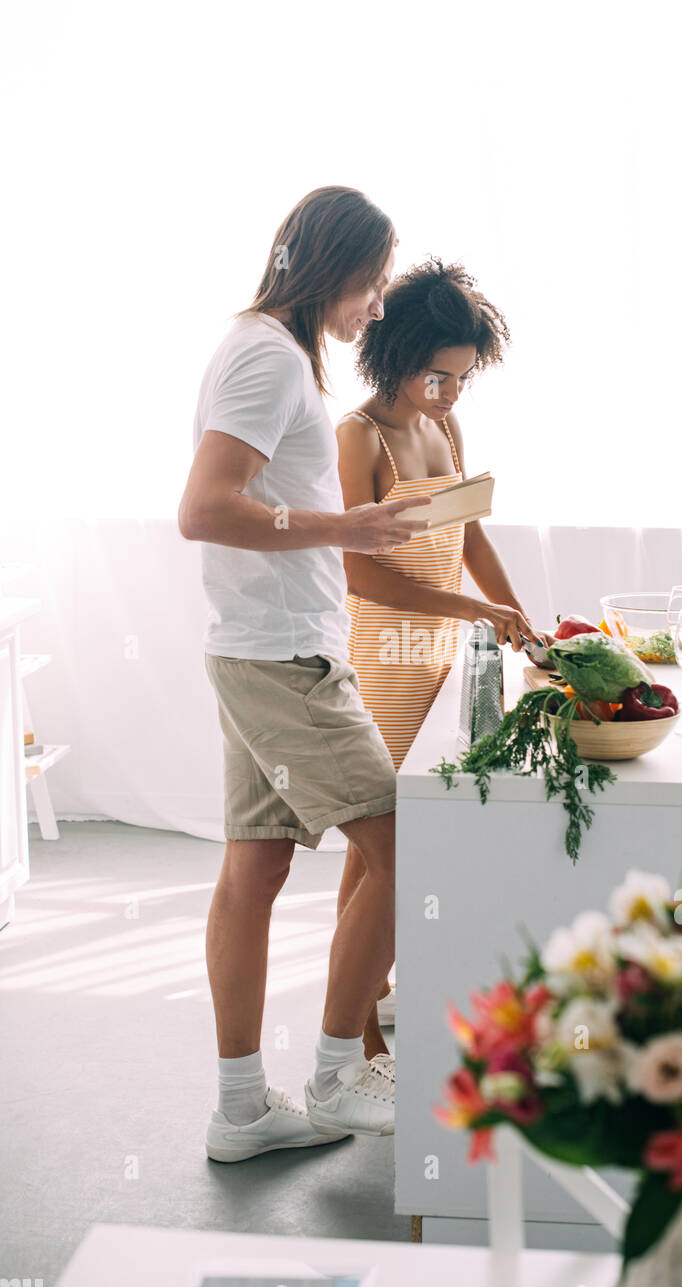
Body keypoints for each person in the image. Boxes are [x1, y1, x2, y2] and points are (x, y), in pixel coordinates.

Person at [178, 187, 434, 1160]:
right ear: (331, 266)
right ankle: (336, 1072)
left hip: (259, 646)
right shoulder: (266, 358)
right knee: (415, 848)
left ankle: (241, 1110)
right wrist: (350, 527)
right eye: (371, 283)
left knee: (255, 868)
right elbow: (204, 507)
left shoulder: (267, 352)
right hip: (284, 657)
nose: (376, 304)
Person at [336, 259, 557, 1019]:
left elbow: (467, 537)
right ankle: (355, 1029)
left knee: (409, 832)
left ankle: (375, 991)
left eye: (461, 378)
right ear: (394, 357)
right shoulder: (359, 438)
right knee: (380, 846)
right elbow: (359, 577)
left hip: (435, 649)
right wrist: (472, 611)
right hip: (386, 658)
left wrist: (516, 616)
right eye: (438, 376)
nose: (450, 393)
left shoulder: (445, 426)